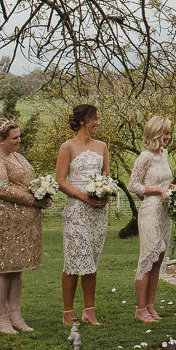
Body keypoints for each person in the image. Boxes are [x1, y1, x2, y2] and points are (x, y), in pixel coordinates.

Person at [0, 118, 50, 334]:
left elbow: (28, 183)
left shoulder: (17, 156)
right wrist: (33, 200)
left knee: (16, 268)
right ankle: (1, 319)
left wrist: (44, 193)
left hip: (21, 222)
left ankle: (15, 316)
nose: (19, 140)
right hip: (2, 219)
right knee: (3, 268)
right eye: (15, 138)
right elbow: (1, 188)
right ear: (1, 140)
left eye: (19, 136)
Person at [56, 103, 110, 326]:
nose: (98, 123)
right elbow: (60, 181)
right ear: (81, 121)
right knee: (74, 260)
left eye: (98, 119)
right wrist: (84, 197)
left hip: (98, 212)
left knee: (91, 261)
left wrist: (106, 193)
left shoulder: (102, 146)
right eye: (94, 119)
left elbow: (107, 177)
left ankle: (89, 311)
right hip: (77, 211)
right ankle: (68, 312)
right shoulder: (67, 147)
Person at [128, 115, 175, 322]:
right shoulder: (144, 157)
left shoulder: (164, 154)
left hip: (165, 212)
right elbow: (133, 185)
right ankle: (140, 309)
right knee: (148, 258)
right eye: (165, 132)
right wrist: (157, 191)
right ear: (155, 133)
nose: (168, 136)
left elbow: (164, 180)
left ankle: (150, 305)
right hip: (150, 211)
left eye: (169, 133)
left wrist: (171, 189)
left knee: (158, 259)